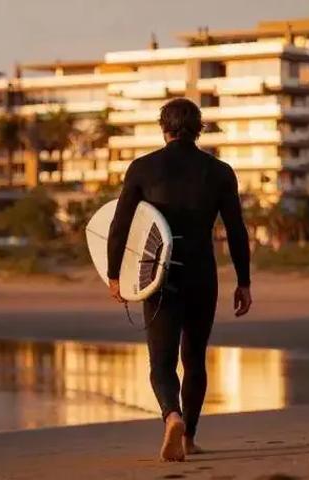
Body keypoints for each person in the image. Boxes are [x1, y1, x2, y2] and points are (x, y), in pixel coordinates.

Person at [106, 98, 252, 462]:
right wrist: (243, 281)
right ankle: (188, 438)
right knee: (195, 359)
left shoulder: (143, 168)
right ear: (198, 128)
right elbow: (236, 230)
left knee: (161, 361)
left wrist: (114, 274)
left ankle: (172, 416)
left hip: (161, 275)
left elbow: (120, 225)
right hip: (202, 273)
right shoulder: (219, 171)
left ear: (163, 127)